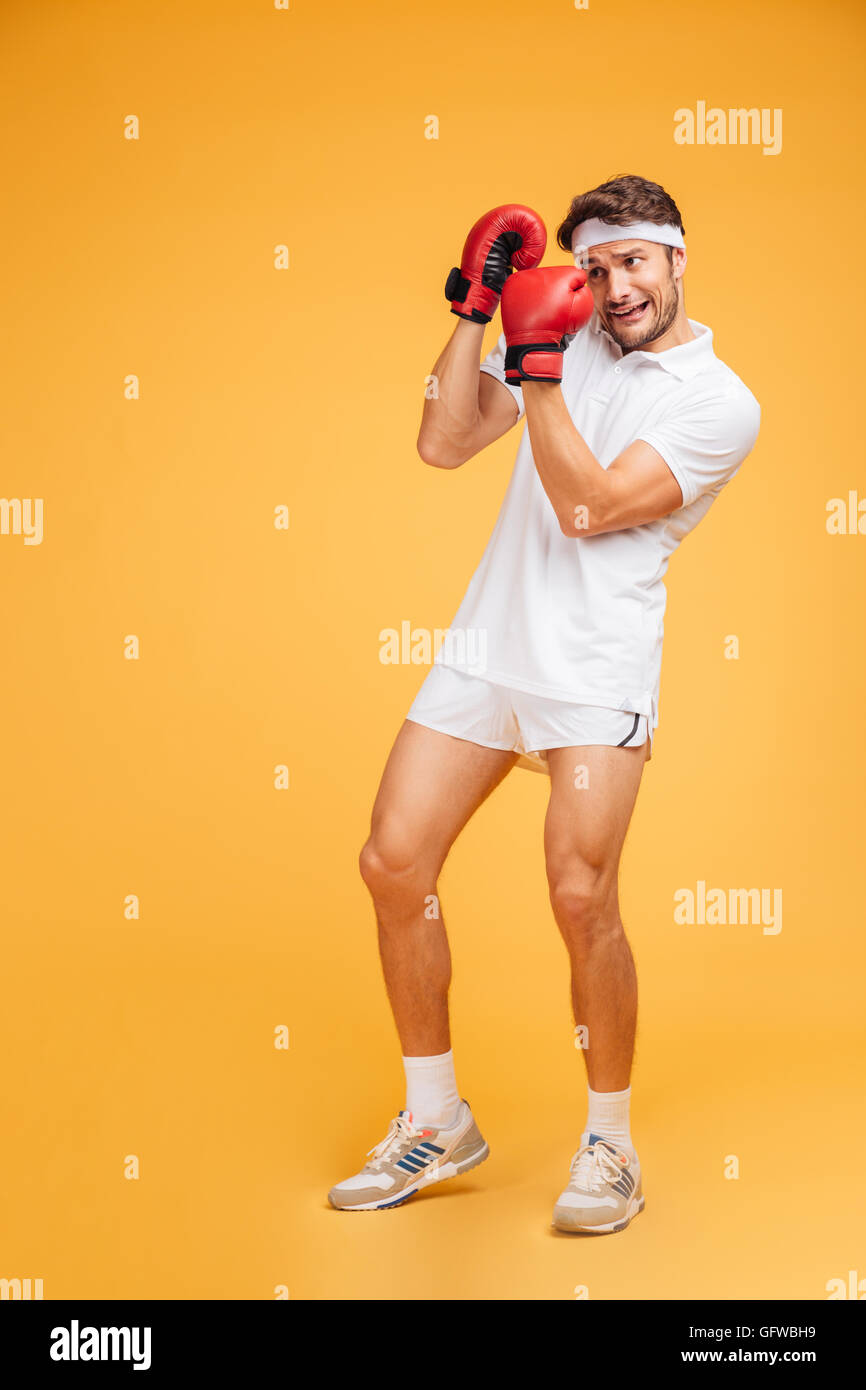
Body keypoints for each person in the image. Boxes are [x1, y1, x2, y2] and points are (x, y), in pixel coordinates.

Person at [327, 174, 761, 1233]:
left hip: (592, 669)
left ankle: (608, 1146)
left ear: (676, 257)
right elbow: (439, 439)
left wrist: (534, 363)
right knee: (391, 862)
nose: (615, 286)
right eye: (596, 265)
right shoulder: (556, 337)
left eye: (634, 261)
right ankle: (436, 1121)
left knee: (579, 896)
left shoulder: (718, 400)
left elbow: (586, 505)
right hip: (488, 647)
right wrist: (475, 314)